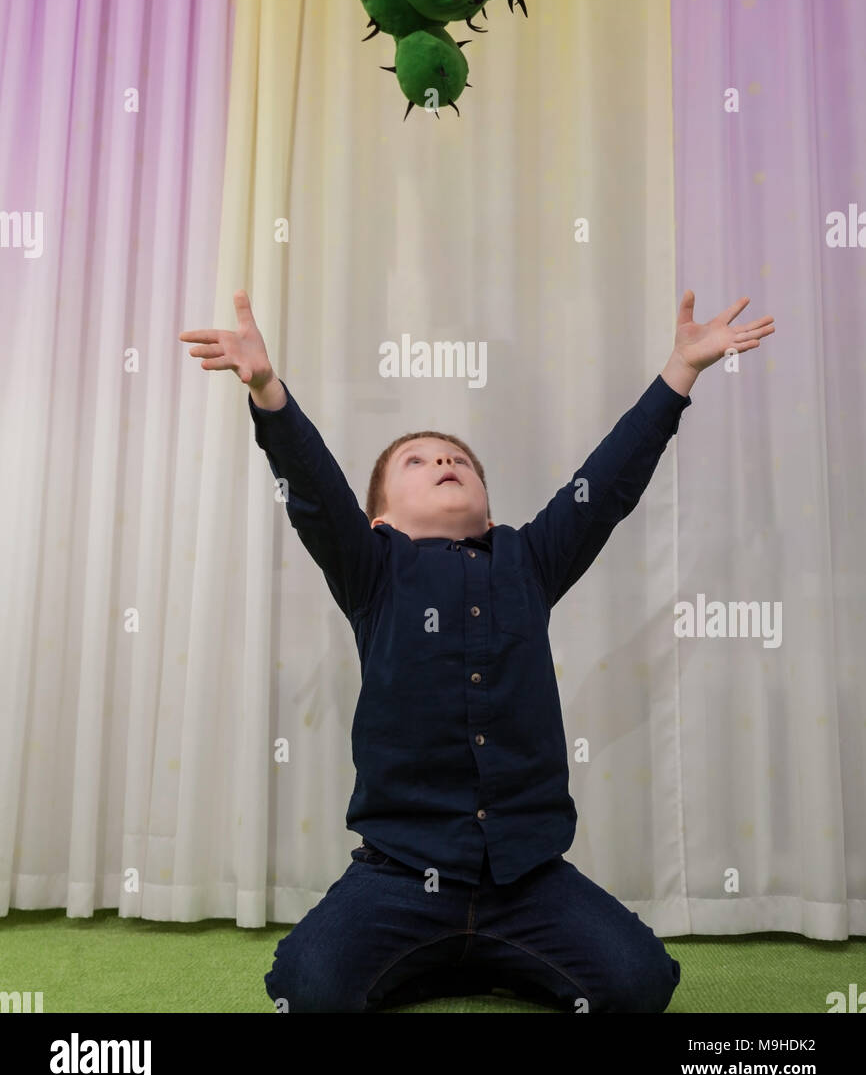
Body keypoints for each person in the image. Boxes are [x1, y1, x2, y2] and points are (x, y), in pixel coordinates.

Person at [179, 288, 774, 1012]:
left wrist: (679, 373)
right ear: (379, 516)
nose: (443, 463)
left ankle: (477, 952)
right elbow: (313, 487)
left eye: (457, 458)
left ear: (489, 509)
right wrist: (268, 390)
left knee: (638, 984)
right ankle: (445, 955)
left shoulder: (527, 560)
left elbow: (606, 486)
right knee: (309, 989)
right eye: (419, 461)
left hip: (527, 880)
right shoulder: (371, 569)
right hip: (398, 877)